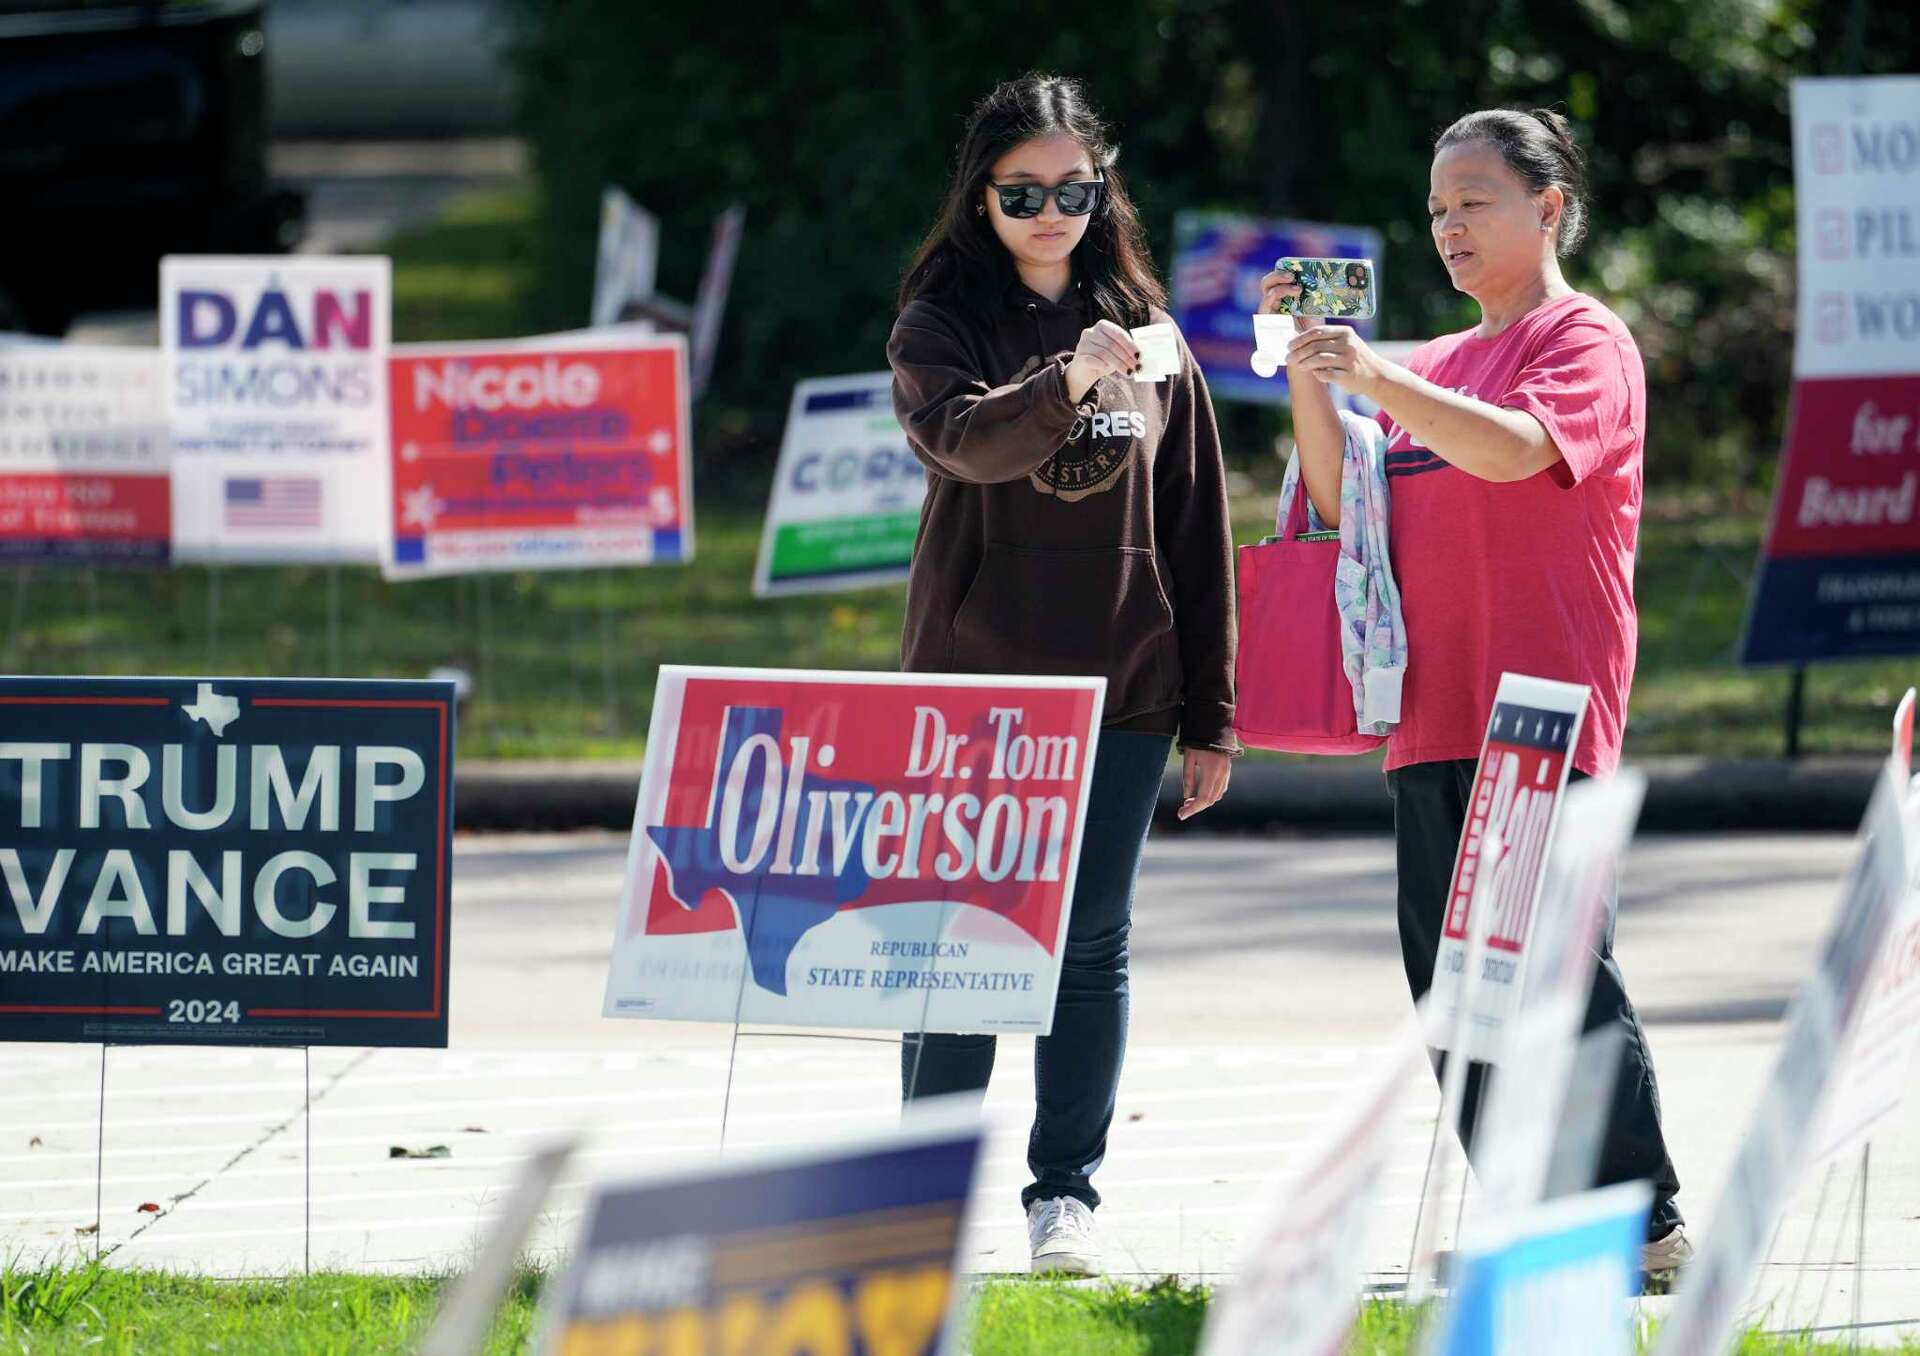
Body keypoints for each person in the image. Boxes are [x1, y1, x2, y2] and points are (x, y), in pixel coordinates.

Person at [1261, 107, 1692, 1282]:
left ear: (1548, 208)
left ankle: (1646, 1225)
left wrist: (1376, 374)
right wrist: (1317, 377)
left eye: (1475, 202)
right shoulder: (1433, 364)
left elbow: (1511, 451)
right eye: (1439, 208)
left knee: (1550, 963)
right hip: (1431, 706)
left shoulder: (1583, 339)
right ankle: (1539, 1220)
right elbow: (1345, 506)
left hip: (1540, 704)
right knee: (1453, 983)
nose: (1449, 226)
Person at [887, 72, 1238, 1276]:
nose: (1050, 211)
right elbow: (964, 441)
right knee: (957, 943)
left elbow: (1198, 526)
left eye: (1072, 189)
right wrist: (1069, 381)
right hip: (973, 682)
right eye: (1022, 191)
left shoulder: (1151, 329)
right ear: (981, 197)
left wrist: (1215, 712)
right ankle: (924, 1193)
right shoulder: (938, 319)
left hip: (1125, 682)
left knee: (1090, 942)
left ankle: (1064, 1196)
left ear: (1103, 189)